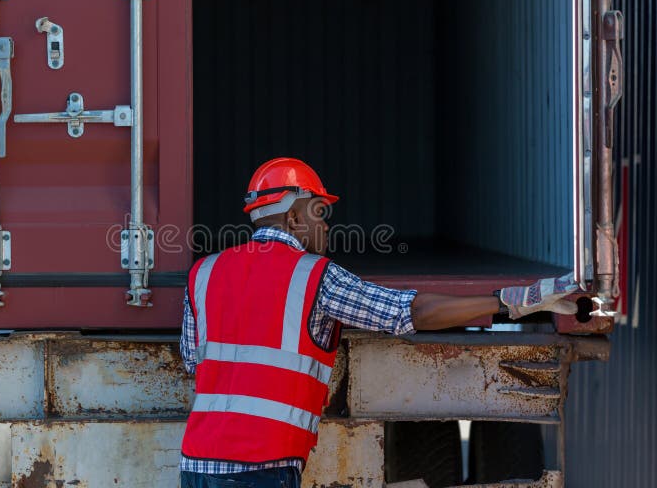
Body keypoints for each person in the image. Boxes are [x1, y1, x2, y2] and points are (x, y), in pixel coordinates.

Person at [179, 157, 578, 488]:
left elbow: (193, 361)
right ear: (296, 217)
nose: (326, 227)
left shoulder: (204, 273)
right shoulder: (314, 277)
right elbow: (410, 312)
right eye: (320, 214)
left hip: (195, 466)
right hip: (260, 469)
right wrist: (509, 301)